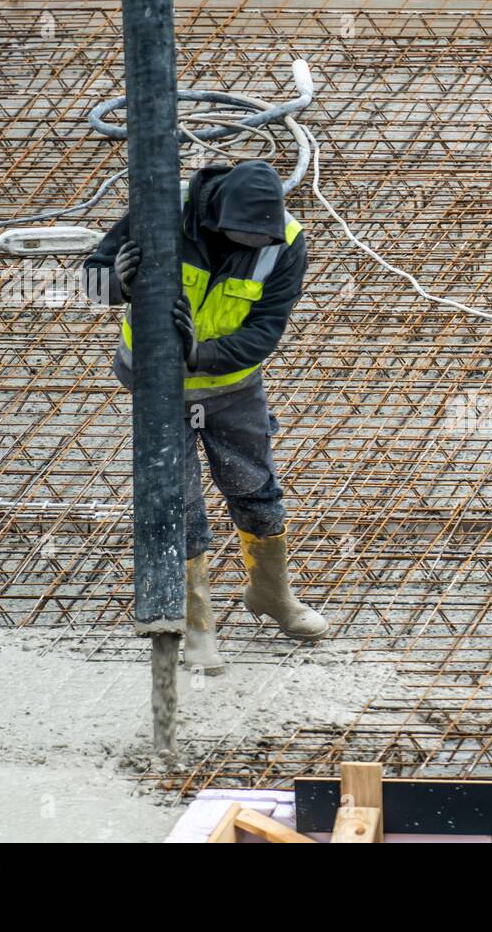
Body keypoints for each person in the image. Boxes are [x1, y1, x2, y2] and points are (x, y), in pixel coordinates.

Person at [83, 159, 328, 675]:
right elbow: (91, 280)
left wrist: (202, 354)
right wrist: (116, 284)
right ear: (214, 216)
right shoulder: (160, 211)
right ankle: (197, 623)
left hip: (231, 387)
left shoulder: (284, 241)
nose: (247, 250)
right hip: (158, 389)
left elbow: (266, 328)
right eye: (238, 239)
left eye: (254, 242)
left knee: (255, 487)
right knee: (181, 503)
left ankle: (270, 593)